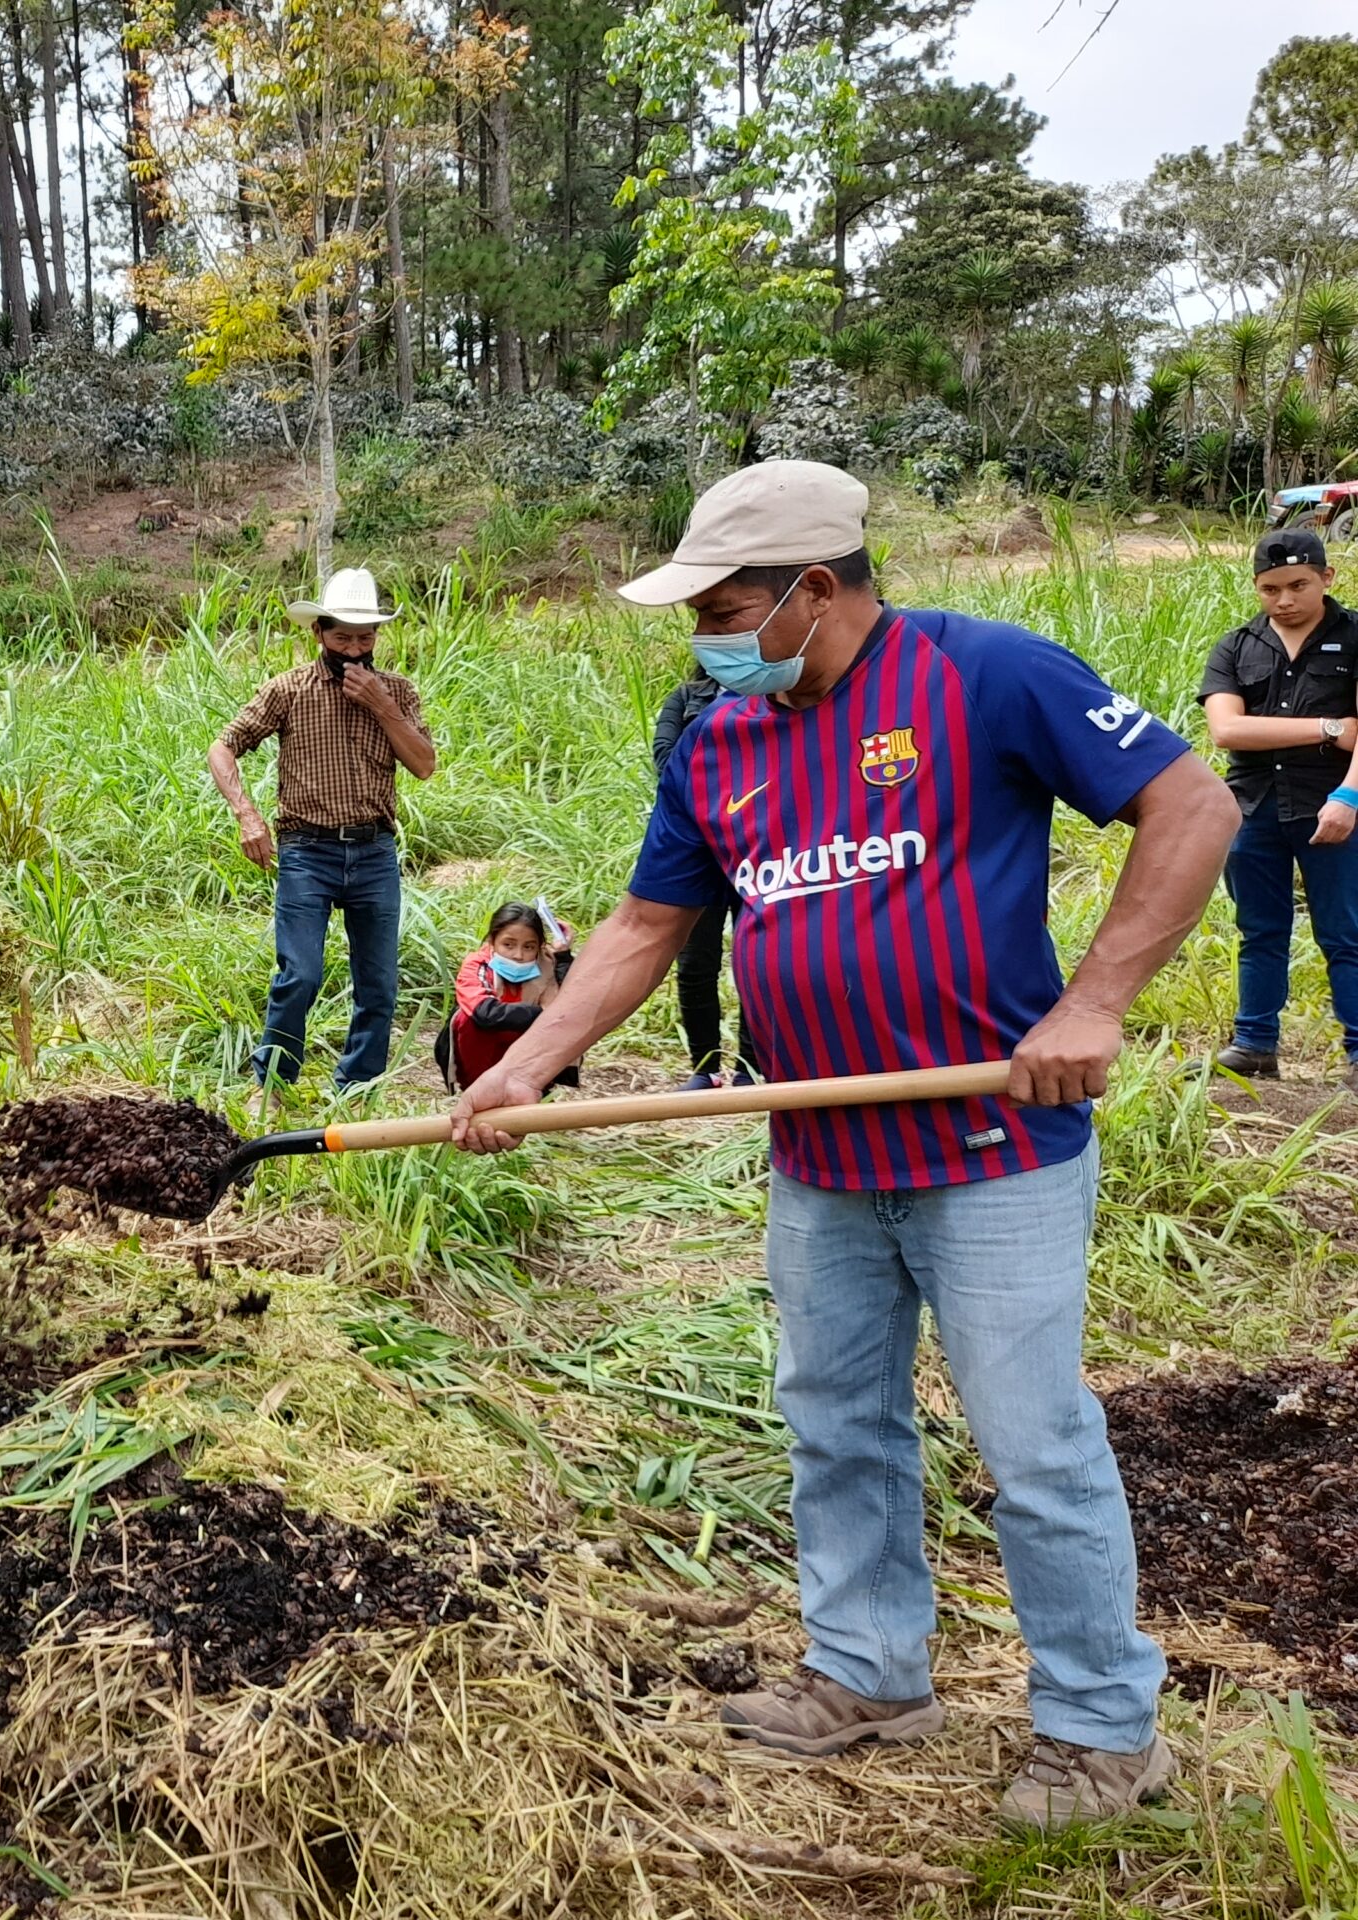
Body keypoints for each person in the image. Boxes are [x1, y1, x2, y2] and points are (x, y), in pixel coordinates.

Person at [448, 461, 1238, 1831]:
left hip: (993, 1143)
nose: (704, 632)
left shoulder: (986, 675)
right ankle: (870, 1671)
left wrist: (1096, 1000)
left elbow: (1195, 805)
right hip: (818, 1150)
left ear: (817, 590)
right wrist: (524, 1064)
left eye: (726, 603)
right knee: (835, 1424)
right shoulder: (718, 739)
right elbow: (645, 928)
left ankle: (1104, 1731)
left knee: (1033, 1443)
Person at [208, 566, 438, 1091]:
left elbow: (424, 765)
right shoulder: (289, 690)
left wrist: (381, 706)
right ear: (318, 634)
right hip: (307, 852)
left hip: (374, 852)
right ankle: (274, 1084)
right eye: (342, 638)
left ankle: (357, 1086)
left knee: (378, 984)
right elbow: (223, 746)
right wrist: (246, 813)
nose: (355, 651)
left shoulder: (398, 692)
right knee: (300, 975)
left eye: (365, 637)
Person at [1198, 527, 1358, 1088]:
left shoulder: (1355, 636)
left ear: (1326, 578)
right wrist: (1331, 726)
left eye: (1298, 585)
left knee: (1346, 932)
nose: (1284, 600)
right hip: (1252, 806)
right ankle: (1255, 1045)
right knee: (1260, 929)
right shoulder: (1236, 645)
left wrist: (1349, 796)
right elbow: (1226, 729)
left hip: (1334, 806)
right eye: (1270, 589)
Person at [653, 665, 756, 1089]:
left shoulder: (773, 694)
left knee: (755, 960)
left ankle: (749, 1067)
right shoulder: (686, 695)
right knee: (696, 963)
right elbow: (665, 759)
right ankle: (705, 1068)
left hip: (756, 841)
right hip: (697, 847)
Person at [435, 901, 578, 1094]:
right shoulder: (476, 965)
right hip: (482, 1055)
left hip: (529, 1056)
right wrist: (544, 1013)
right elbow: (484, 1013)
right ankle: (477, 1090)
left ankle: (534, 1087)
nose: (518, 955)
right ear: (492, 941)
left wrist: (563, 956)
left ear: (540, 947)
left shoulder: (549, 964)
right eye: (508, 944)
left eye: (528, 947)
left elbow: (574, 1003)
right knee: (466, 1019)